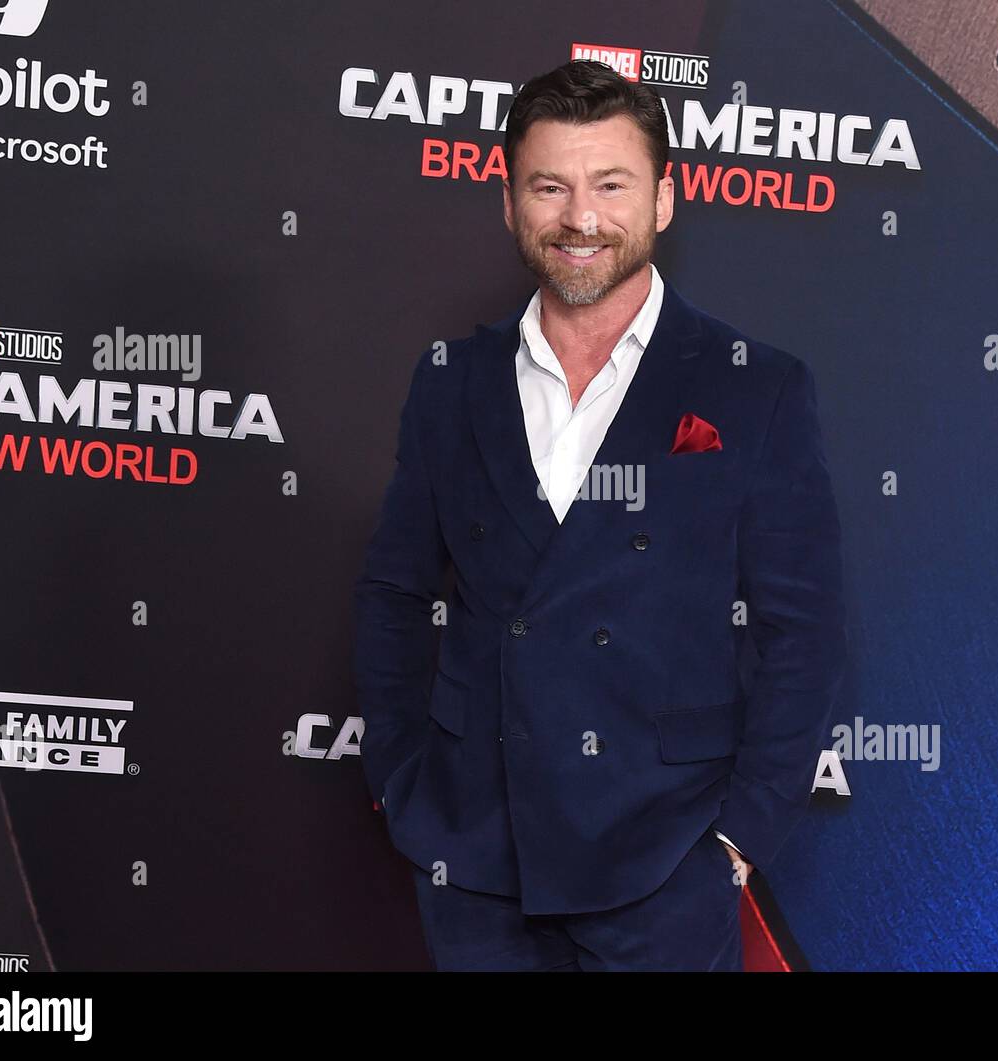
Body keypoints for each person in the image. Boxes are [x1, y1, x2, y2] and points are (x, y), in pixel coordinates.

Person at [353, 59, 847, 971]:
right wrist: (398, 779)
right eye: (551, 186)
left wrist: (739, 839)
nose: (582, 217)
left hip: (662, 863)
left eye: (611, 184)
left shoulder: (758, 388)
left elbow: (802, 630)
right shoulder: (450, 382)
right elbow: (393, 591)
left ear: (665, 199)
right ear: (509, 204)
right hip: (476, 860)